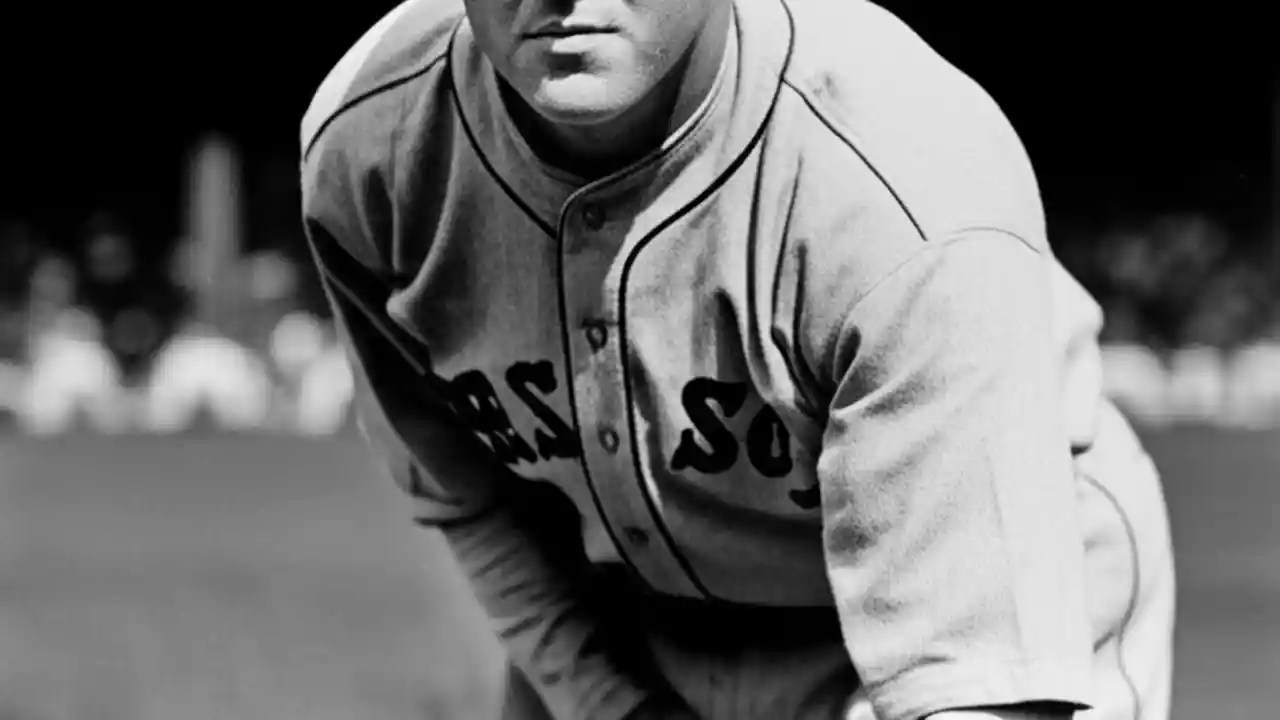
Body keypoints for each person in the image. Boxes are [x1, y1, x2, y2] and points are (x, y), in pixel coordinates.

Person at [298, 1, 1175, 719]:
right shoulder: (375, 148)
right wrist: (611, 704)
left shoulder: (902, 184)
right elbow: (473, 503)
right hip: (632, 621)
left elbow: (974, 682)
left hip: (986, 593)